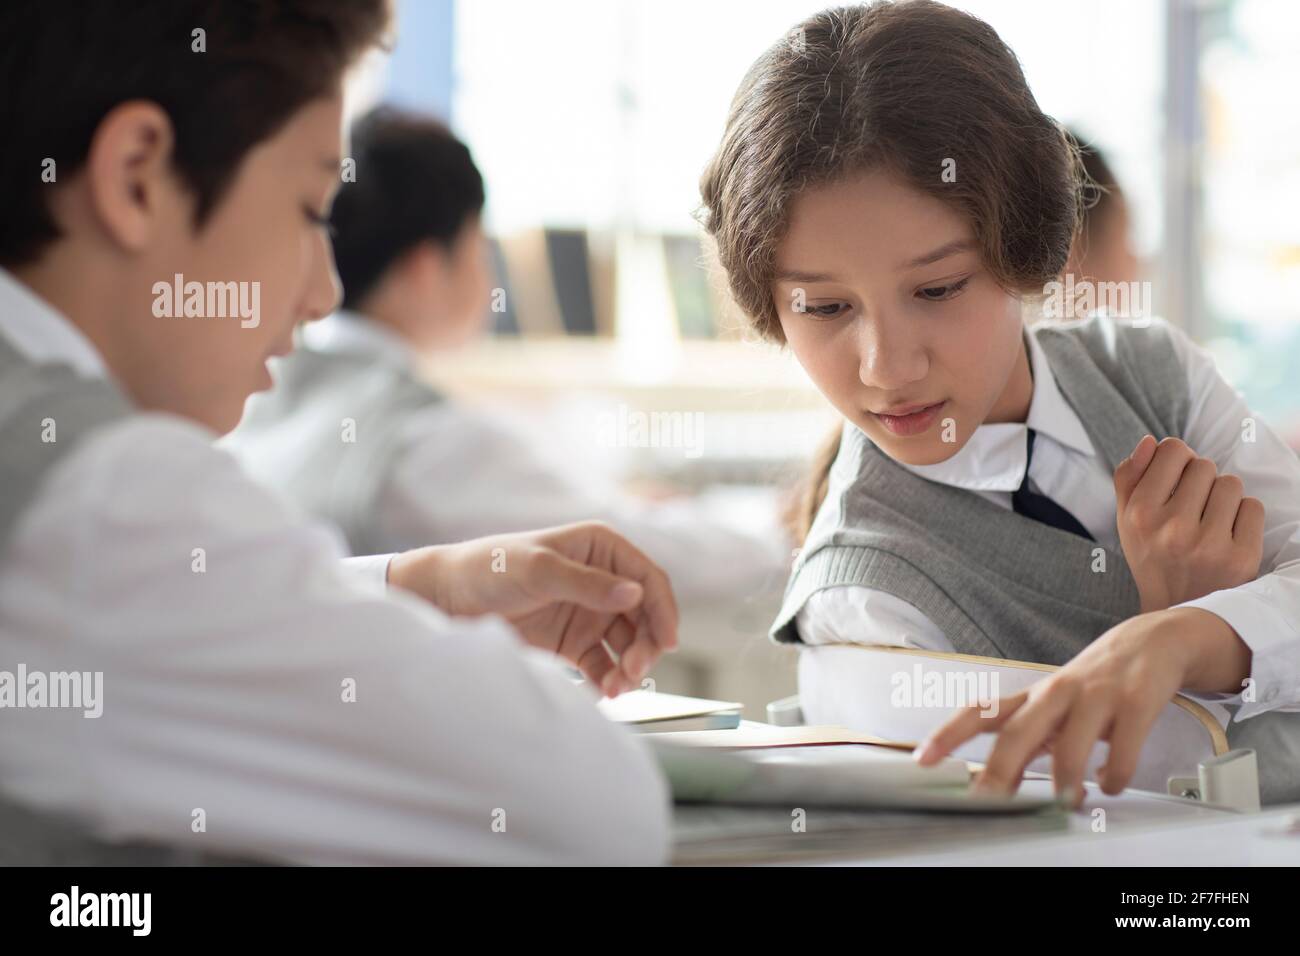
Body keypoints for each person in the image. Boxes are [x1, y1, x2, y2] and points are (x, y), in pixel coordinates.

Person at [0, 0, 676, 865]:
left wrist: (416, 592)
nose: (322, 291)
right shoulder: (100, 502)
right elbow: (595, 806)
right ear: (137, 176)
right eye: (311, 208)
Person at [697, 0, 1300, 805]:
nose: (886, 366)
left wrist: (1185, 635)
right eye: (824, 307)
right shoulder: (862, 600)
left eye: (938, 288)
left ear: (1026, 247)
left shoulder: (1155, 372)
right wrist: (1202, 631)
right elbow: (1106, 812)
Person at [225, 107, 789, 600]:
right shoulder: (425, 441)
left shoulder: (267, 395)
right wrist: (780, 531)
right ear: (426, 268)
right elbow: (620, 546)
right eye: (479, 244)